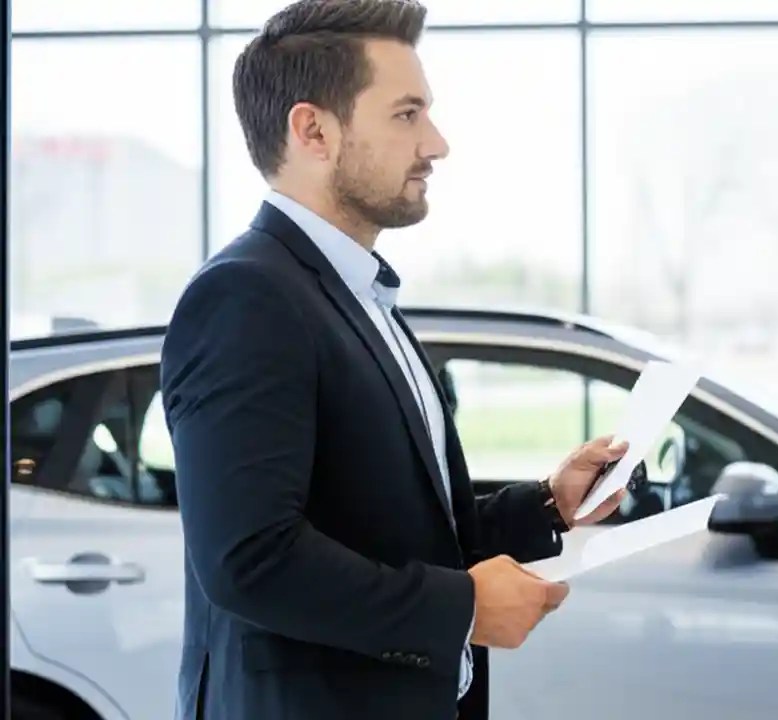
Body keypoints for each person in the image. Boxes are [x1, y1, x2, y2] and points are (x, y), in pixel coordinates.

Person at [159, 1, 628, 718]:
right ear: (312, 129)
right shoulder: (247, 295)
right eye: (407, 114)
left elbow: (391, 526)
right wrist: (461, 609)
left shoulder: (357, 294)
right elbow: (250, 560)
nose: (436, 143)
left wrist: (545, 506)